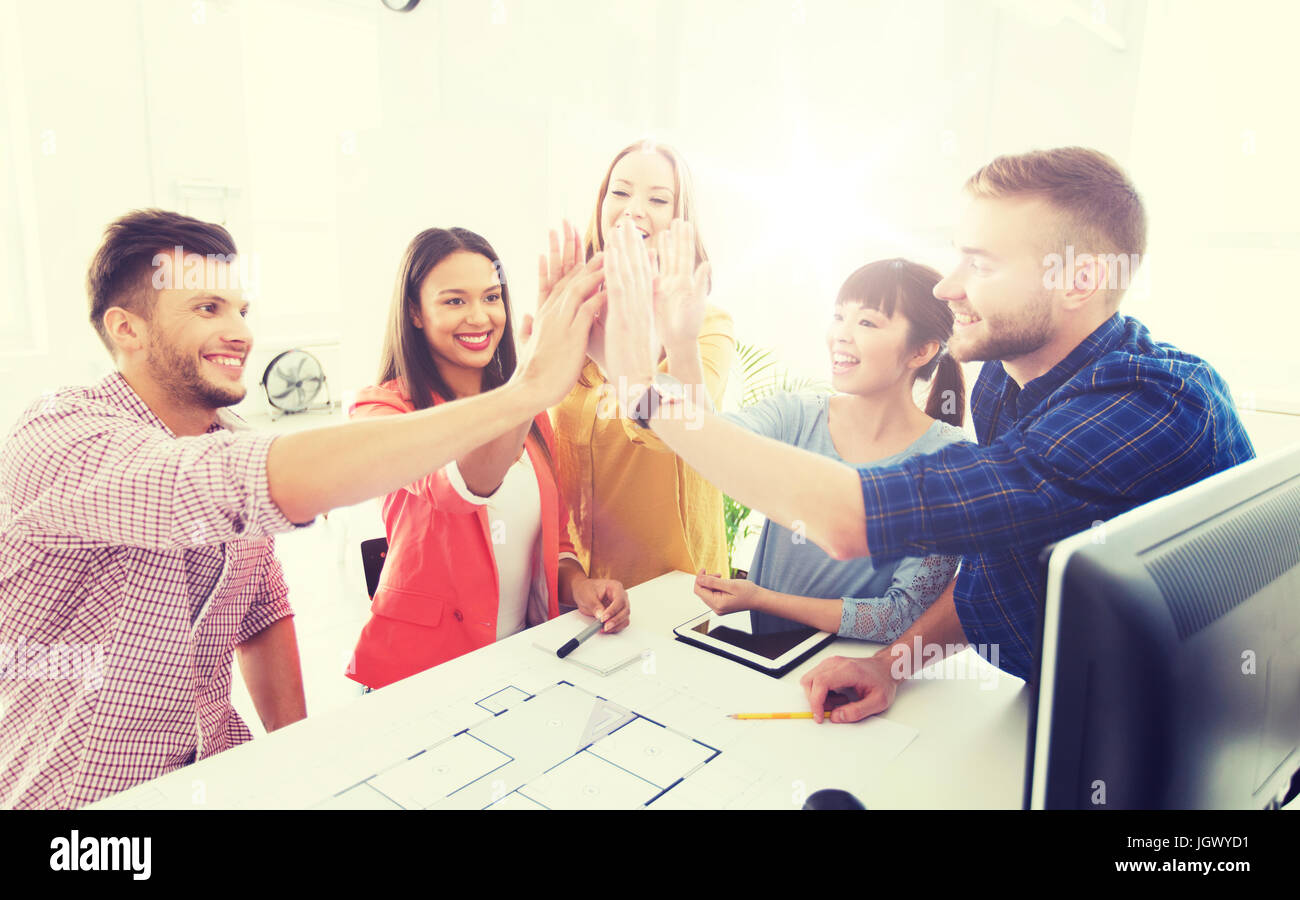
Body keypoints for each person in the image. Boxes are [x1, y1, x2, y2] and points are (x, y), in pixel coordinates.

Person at [596, 147, 1255, 723]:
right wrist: (889, 666)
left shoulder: (1153, 405)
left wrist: (643, 392)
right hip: (1055, 698)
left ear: (1079, 280)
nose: (949, 285)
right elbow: (994, 573)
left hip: (1180, 728)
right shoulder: (1004, 384)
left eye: (981, 264)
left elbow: (851, 518)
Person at [0, 208, 603, 808]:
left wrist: (299, 760)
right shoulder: (62, 433)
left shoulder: (228, 436)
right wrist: (527, 385)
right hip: (77, 799)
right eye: (207, 308)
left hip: (215, 770)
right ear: (126, 329)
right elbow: (231, 484)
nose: (239, 331)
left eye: (241, 310)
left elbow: (262, 611)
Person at [346, 225, 630, 690]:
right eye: (454, 301)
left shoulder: (532, 414)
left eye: (492, 297)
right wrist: (530, 383)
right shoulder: (382, 409)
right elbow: (461, 488)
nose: (479, 317)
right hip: (420, 676)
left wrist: (579, 583)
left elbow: (553, 540)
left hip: (519, 662)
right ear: (415, 312)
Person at [692, 259, 969, 642]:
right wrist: (681, 340)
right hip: (770, 660)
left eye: (867, 322)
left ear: (920, 350)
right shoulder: (795, 415)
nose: (841, 334)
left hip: (863, 677)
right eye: (839, 317)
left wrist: (763, 599)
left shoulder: (950, 460)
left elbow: (901, 615)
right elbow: (709, 438)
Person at [551, 139, 735, 589]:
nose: (634, 209)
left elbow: (679, 436)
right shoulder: (571, 311)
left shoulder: (706, 327)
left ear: (679, 220)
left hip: (674, 591)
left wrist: (616, 358)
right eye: (620, 192)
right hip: (578, 589)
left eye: (657, 199)